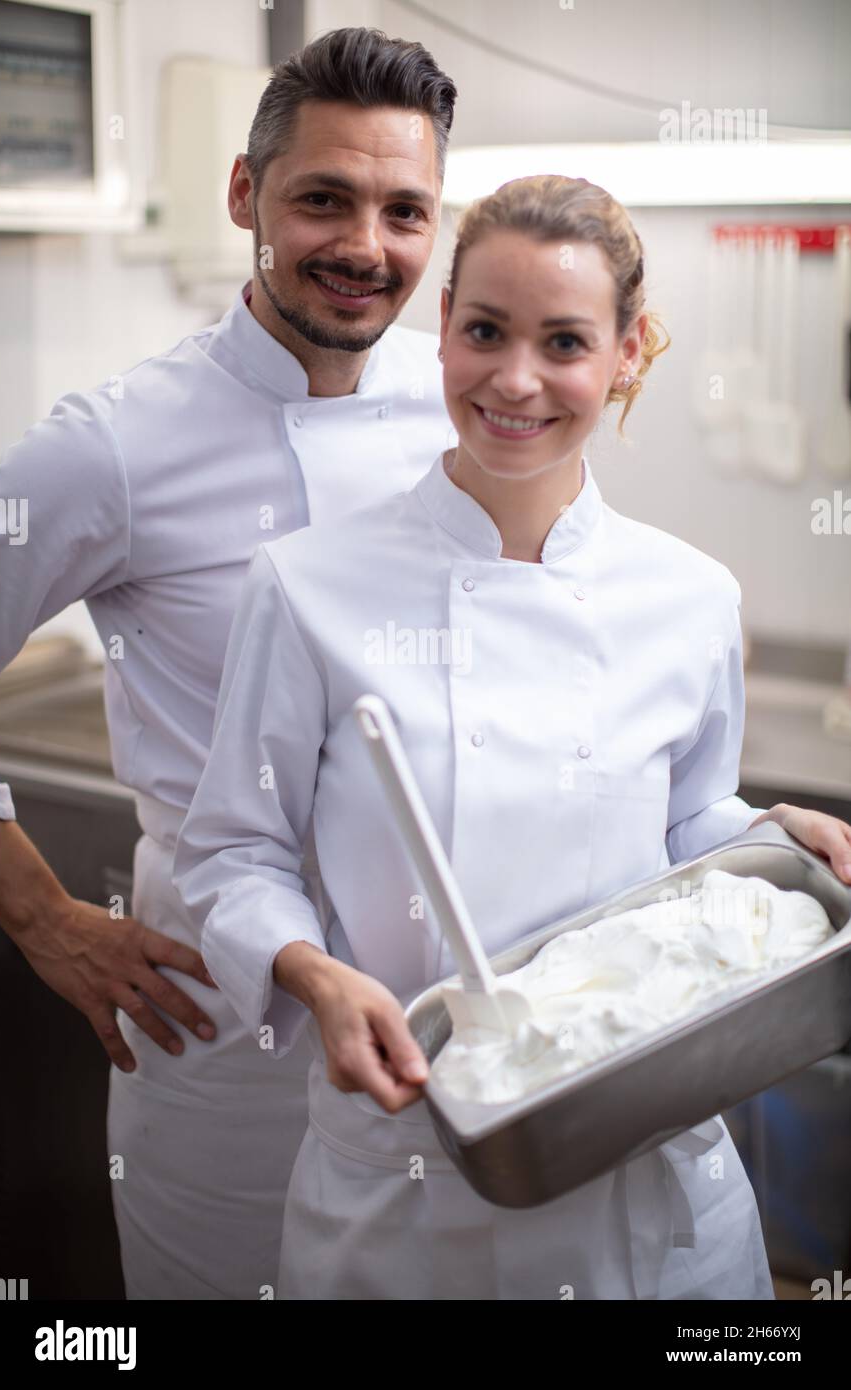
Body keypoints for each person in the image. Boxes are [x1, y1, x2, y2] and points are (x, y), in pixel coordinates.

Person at [174, 172, 851, 1300]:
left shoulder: (687, 596)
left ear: (627, 353)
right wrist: (315, 977)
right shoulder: (306, 587)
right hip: (400, 1187)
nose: (516, 379)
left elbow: (685, 824)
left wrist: (766, 835)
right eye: (483, 330)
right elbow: (231, 850)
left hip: (647, 1202)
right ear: (440, 328)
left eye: (565, 341)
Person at [0, 28, 457, 1298]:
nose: (365, 245)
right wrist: (39, 916)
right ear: (245, 197)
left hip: (445, 1023)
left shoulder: (458, 402)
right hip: (224, 1040)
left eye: (403, 209)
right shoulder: (116, 445)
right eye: (322, 198)